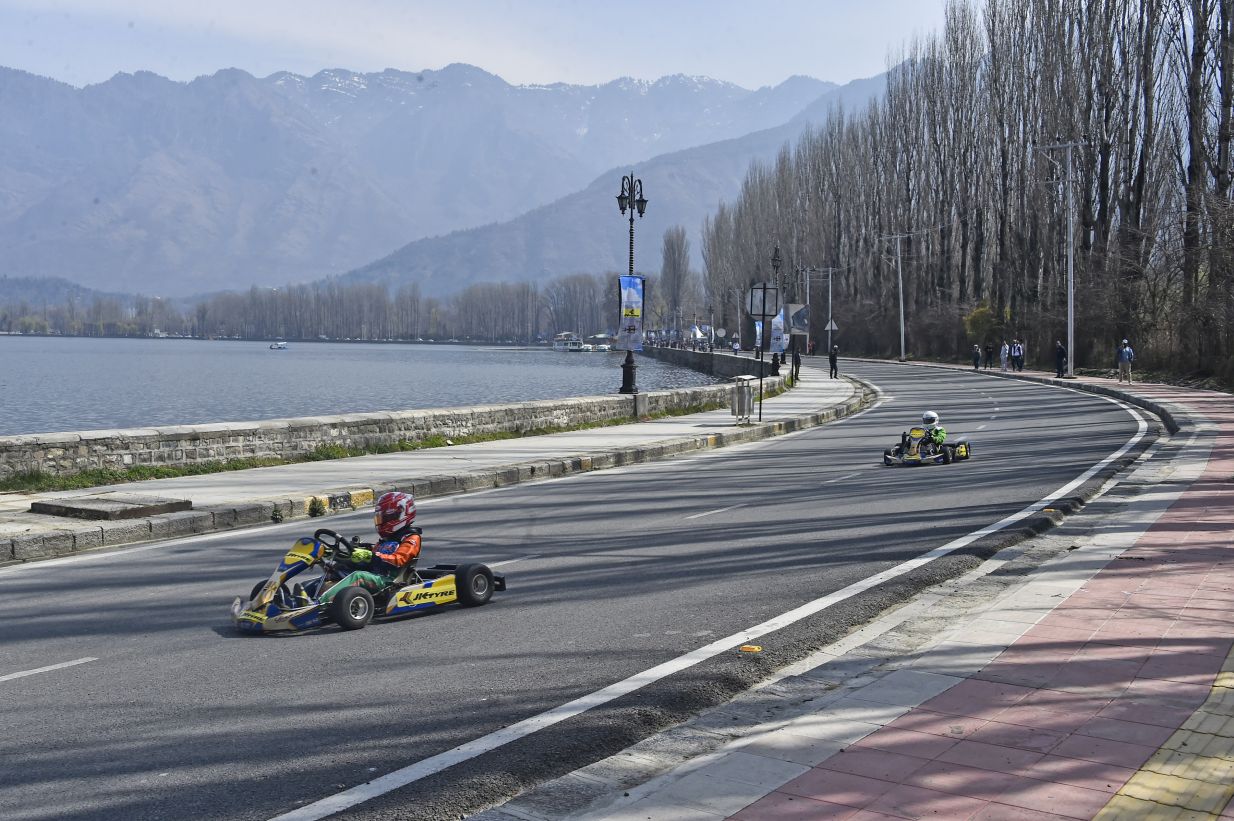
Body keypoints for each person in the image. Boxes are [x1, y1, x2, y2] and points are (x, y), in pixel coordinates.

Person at [320, 491, 422, 602]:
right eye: (380, 518)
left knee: (358, 577)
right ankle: (303, 597)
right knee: (336, 571)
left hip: (389, 580)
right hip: (374, 575)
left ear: (399, 515)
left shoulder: (411, 538)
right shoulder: (386, 539)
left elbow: (399, 560)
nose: (381, 522)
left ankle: (319, 603)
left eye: (385, 518)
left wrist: (371, 556)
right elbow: (370, 559)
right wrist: (337, 555)